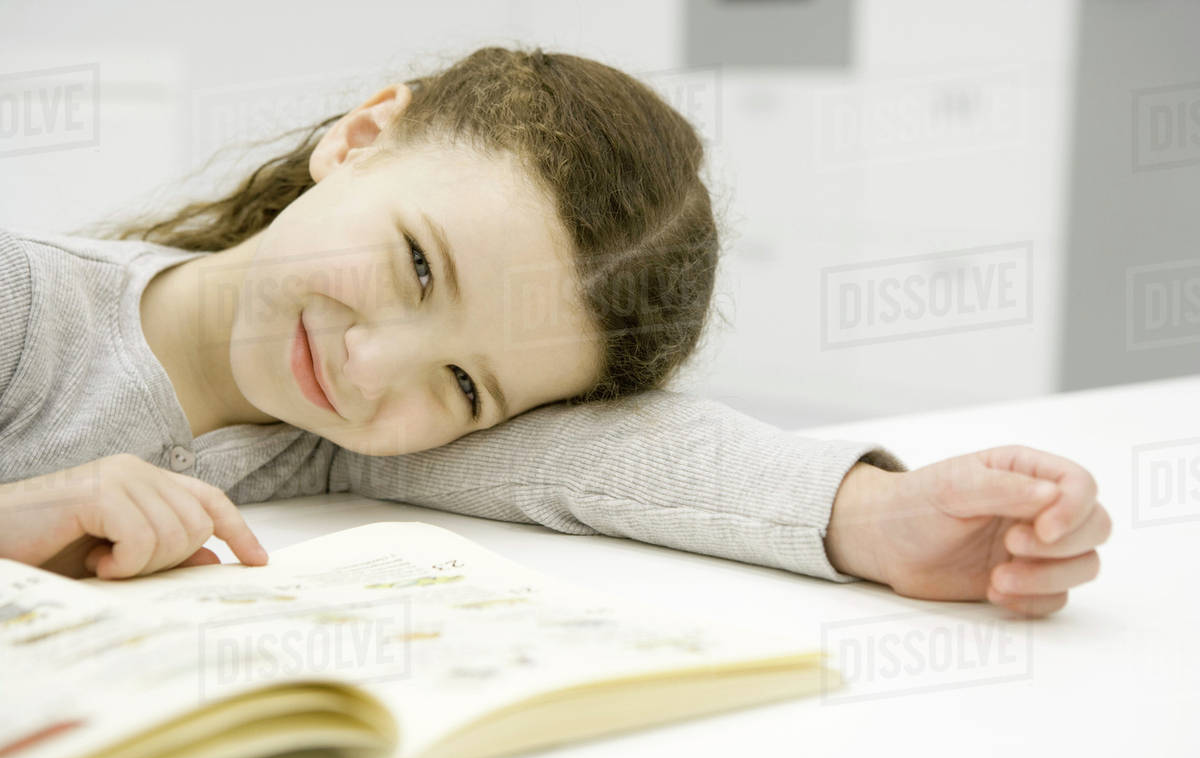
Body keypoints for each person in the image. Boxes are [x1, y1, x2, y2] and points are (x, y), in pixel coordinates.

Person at [0, 47, 1108, 618]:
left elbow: (624, 455)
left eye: (469, 386)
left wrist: (878, 516)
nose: (373, 368)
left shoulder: (346, 437)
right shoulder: (25, 312)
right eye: (419, 264)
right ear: (365, 133)